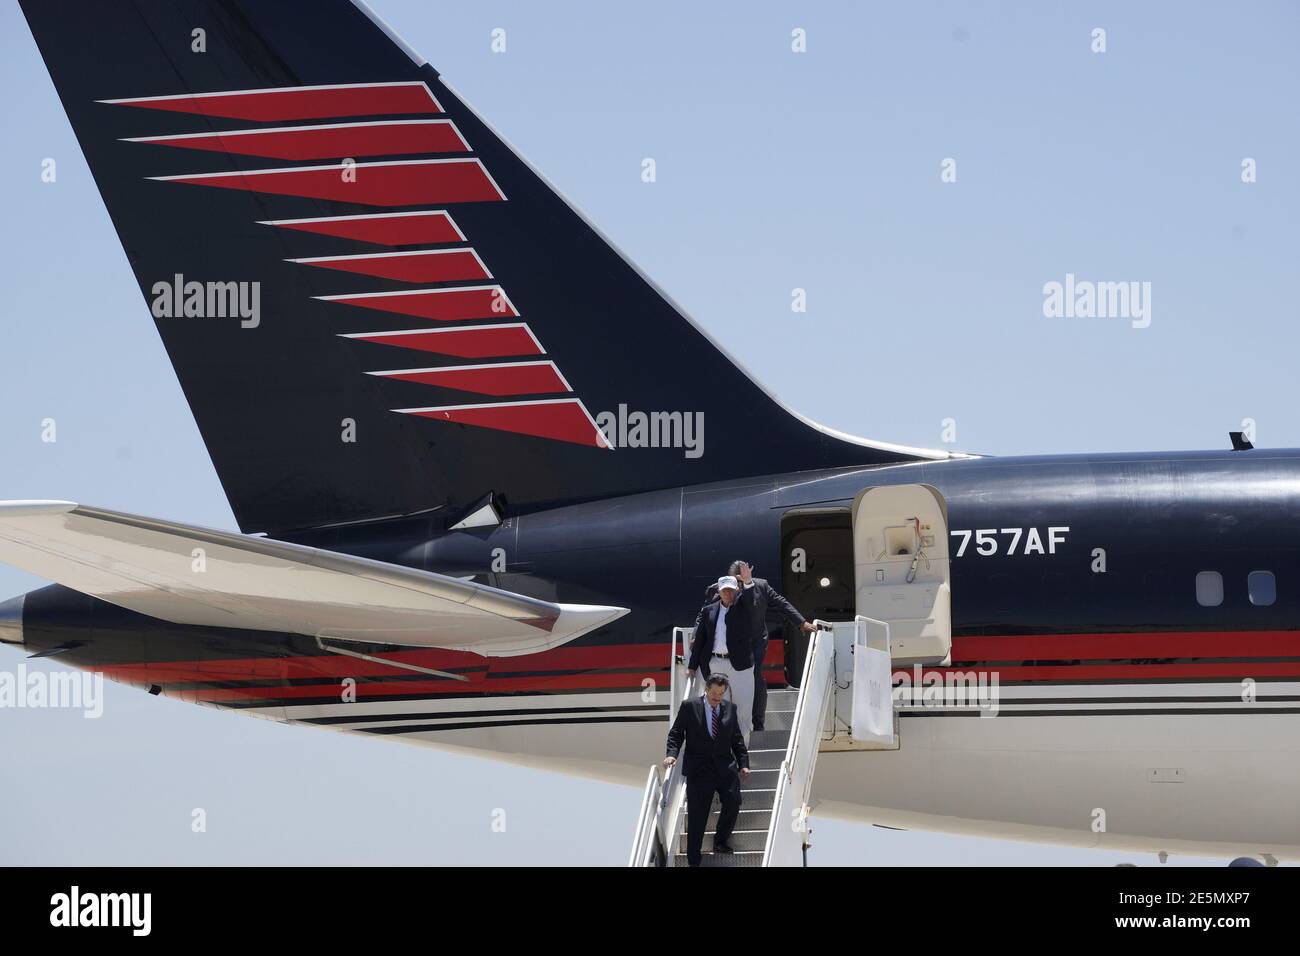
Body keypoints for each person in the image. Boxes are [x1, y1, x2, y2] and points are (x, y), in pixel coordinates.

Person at [697, 561, 816, 732]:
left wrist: (801, 622)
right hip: (732, 645)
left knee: (755, 676)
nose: (737, 583)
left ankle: (758, 722)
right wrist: (695, 635)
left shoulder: (761, 586)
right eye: (735, 579)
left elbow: (781, 604)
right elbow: (704, 613)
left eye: (741, 578)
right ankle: (726, 721)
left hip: (755, 641)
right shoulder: (720, 589)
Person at [663, 673, 750, 866]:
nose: (717, 697)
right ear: (706, 689)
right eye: (714, 693)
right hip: (699, 770)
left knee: (733, 801)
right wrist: (672, 754)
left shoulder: (729, 709)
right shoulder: (689, 706)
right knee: (697, 816)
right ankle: (694, 859)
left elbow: (736, 739)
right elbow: (676, 733)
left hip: (724, 768)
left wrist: (744, 764)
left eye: (721, 693)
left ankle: (720, 841)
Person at [688, 576, 758, 740]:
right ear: (719, 591)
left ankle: (743, 750)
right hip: (716, 663)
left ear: (737, 591)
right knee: (720, 708)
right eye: (724, 590)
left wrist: (748, 582)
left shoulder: (744, 608)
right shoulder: (709, 610)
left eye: (731, 590)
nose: (728, 593)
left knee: (743, 709)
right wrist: (692, 666)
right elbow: (701, 640)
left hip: (741, 666)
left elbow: (750, 599)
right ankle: (725, 749)